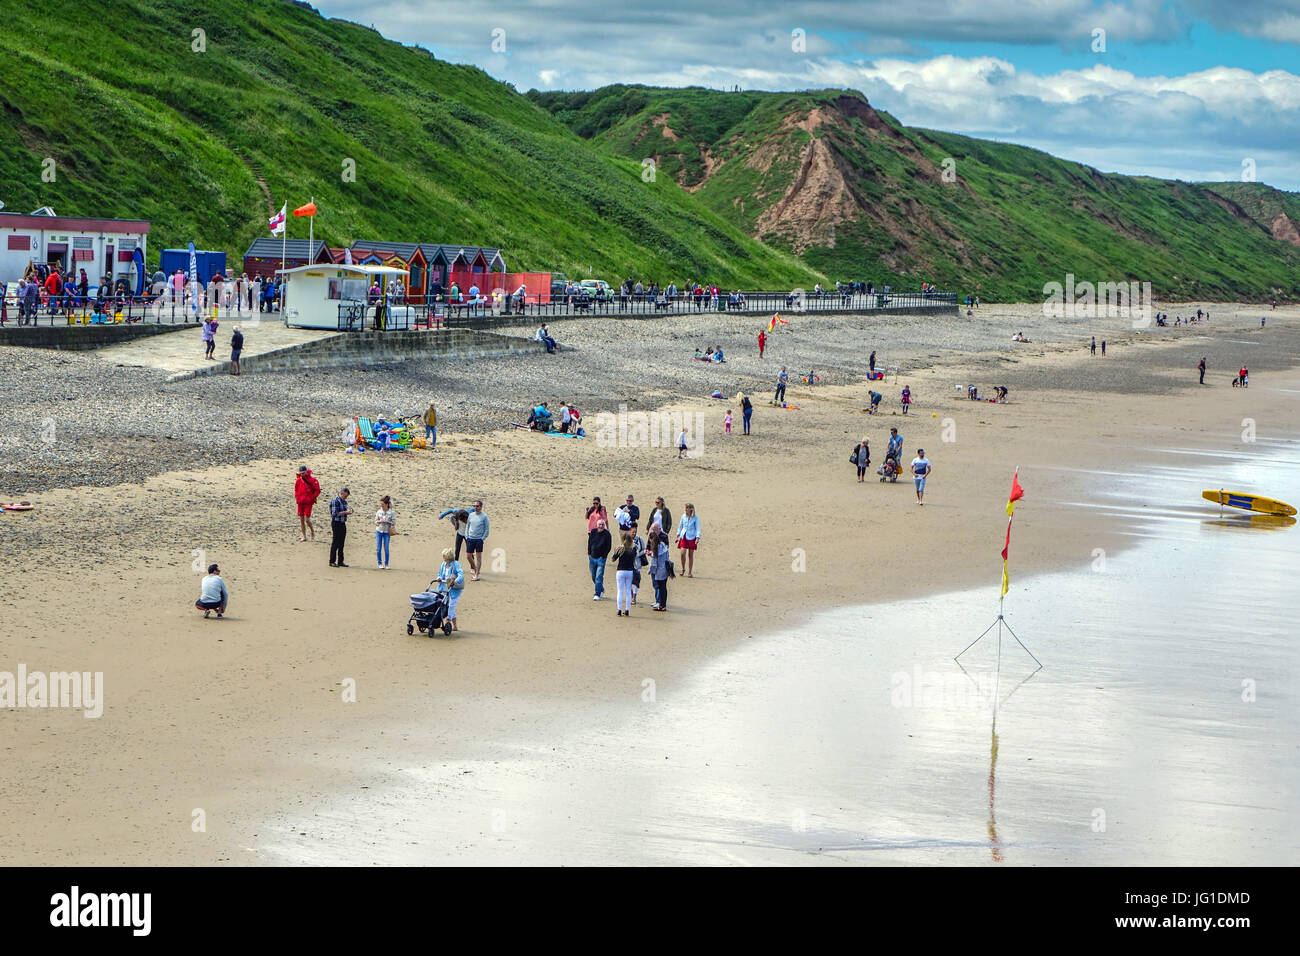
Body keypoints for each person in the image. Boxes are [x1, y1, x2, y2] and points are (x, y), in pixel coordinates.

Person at [436, 548, 465, 632]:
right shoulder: (443, 564)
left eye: (444, 556)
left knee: (451, 606)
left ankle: (448, 621)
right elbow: (440, 574)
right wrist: (439, 578)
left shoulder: (455, 564)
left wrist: (456, 581)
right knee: (446, 605)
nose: (443, 557)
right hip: (444, 588)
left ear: (448, 557)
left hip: (454, 589)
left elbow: (461, 574)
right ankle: (455, 626)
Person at [612, 532, 637, 616]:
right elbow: (634, 558)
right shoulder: (633, 549)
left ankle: (619, 609)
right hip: (629, 571)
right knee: (628, 591)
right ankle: (627, 610)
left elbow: (613, 559)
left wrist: (615, 552)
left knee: (620, 591)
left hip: (620, 571)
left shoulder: (620, 549)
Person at [464, 499, 489, 580]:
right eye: (474, 506)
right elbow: (467, 526)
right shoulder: (471, 515)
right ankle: (475, 569)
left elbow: (487, 529)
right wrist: (466, 536)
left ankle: (476, 575)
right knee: (468, 556)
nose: (476, 507)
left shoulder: (484, 516)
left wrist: (482, 538)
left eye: (477, 506)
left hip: (479, 540)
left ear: (481, 507)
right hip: (470, 538)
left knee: (478, 558)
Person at [294, 465, 321, 541]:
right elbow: (296, 489)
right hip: (300, 502)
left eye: (303, 473)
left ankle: (312, 531)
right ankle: (304, 536)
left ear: (306, 471)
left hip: (308, 502)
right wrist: (297, 497)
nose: (302, 474)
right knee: (301, 519)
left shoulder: (313, 480)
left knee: (307, 519)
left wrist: (311, 498)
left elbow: (317, 490)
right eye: (301, 473)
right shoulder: (299, 480)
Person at [647, 529, 671, 611]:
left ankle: (661, 605)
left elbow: (653, 564)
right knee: (663, 588)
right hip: (666, 570)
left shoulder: (655, 550)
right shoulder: (663, 545)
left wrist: (650, 571)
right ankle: (663, 605)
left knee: (660, 588)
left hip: (659, 572)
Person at [588, 516, 611, 600]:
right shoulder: (593, 532)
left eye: (602, 524)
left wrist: (604, 556)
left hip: (601, 559)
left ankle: (597, 593)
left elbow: (608, 546)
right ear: (596, 525)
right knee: (593, 576)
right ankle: (601, 589)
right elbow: (590, 542)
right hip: (592, 558)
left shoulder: (607, 534)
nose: (601, 526)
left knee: (599, 576)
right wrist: (589, 553)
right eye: (599, 524)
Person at [329, 487, 353, 567]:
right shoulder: (335, 501)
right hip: (336, 523)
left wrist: (348, 512)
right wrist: (345, 512)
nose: (346, 498)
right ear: (341, 493)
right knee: (335, 542)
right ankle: (332, 561)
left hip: (342, 523)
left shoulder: (344, 502)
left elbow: (342, 512)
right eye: (345, 496)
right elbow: (334, 514)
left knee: (341, 543)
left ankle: (340, 561)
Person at [676, 503, 700, 577]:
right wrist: (678, 534)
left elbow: (698, 528)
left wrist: (697, 537)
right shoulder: (683, 516)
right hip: (684, 536)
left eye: (687, 508)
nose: (685, 509)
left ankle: (690, 572)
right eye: (685, 508)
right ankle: (683, 569)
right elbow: (680, 526)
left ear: (691, 509)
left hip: (692, 537)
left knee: (690, 555)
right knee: (682, 553)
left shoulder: (695, 517)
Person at [375, 495, 395, 569]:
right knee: (378, 548)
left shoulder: (391, 512)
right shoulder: (379, 511)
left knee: (386, 548)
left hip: (387, 531)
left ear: (387, 504)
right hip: (379, 531)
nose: (381, 506)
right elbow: (375, 521)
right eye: (381, 505)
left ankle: (386, 564)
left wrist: (387, 522)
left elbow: (393, 522)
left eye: (383, 504)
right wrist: (379, 522)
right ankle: (379, 563)